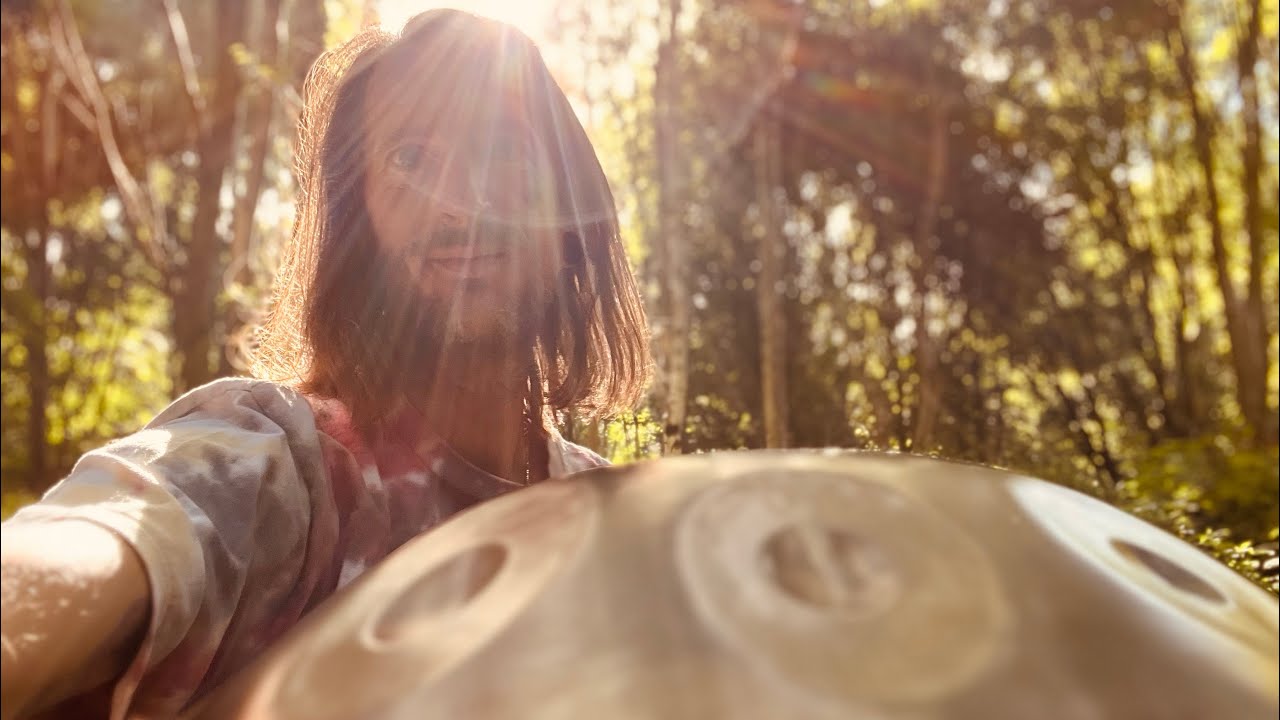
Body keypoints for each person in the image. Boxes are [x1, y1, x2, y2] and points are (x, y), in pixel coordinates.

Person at [0, 9, 650, 719]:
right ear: (360, 224)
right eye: (409, 158)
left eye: (503, 150)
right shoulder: (286, 467)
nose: (462, 204)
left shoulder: (623, 525)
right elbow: (117, 533)